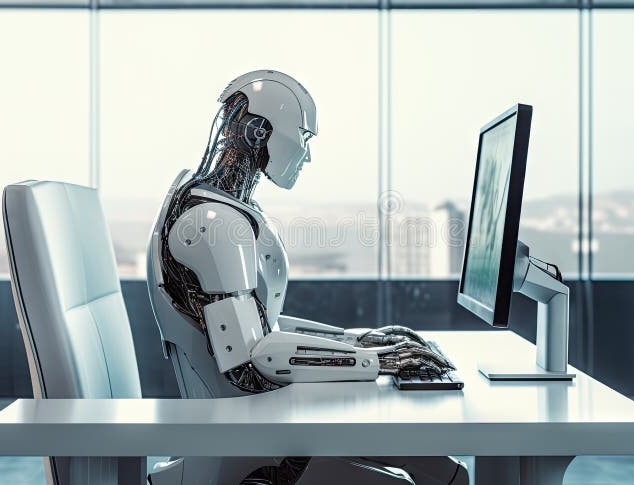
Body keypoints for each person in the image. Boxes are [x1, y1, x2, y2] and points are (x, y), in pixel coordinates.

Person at [146, 70, 467, 485]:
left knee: (440, 467)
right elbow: (248, 361)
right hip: (253, 449)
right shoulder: (213, 223)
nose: (307, 154)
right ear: (259, 131)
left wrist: (357, 340)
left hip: (262, 424)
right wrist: (381, 360)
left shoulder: (220, 208)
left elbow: (264, 328)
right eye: (304, 137)